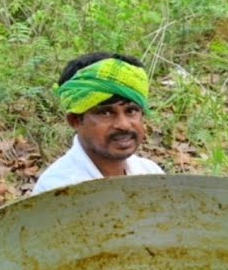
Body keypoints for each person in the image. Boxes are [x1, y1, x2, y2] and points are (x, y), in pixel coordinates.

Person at [32, 52, 163, 195]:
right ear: (75, 120)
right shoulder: (57, 191)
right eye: (106, 113)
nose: (124, 124)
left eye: (131, 111)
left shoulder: (151, 173)